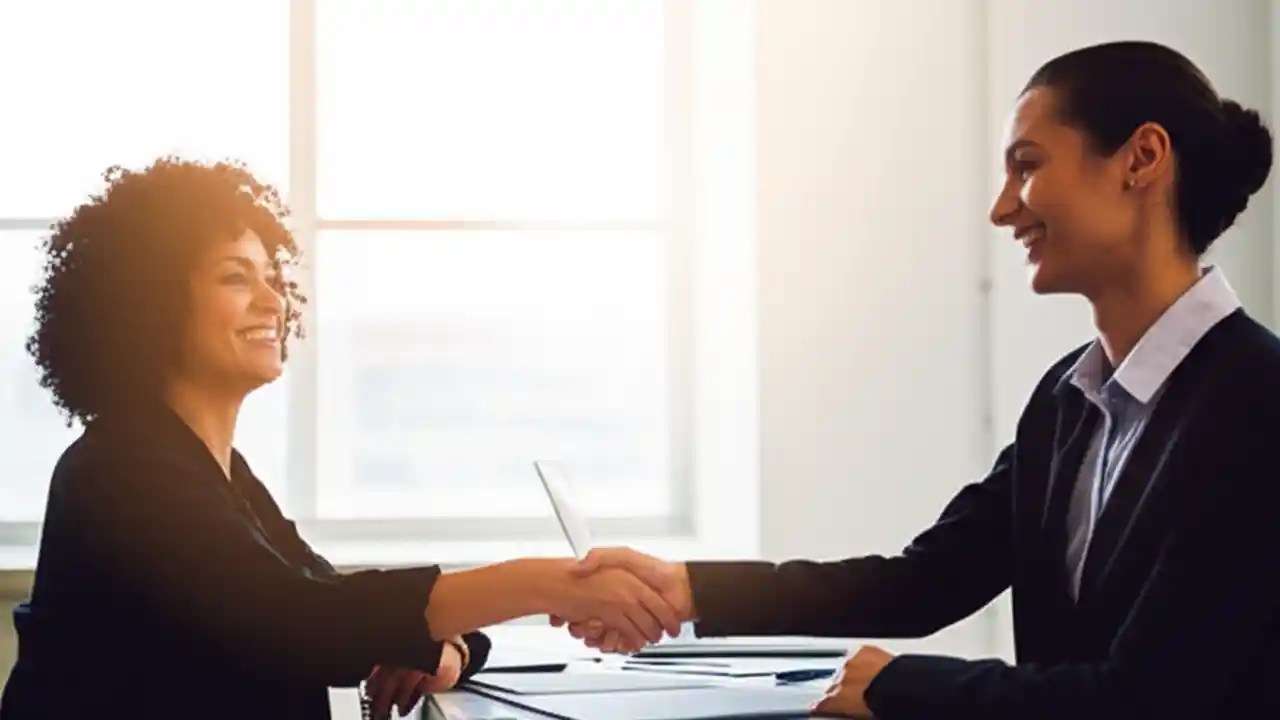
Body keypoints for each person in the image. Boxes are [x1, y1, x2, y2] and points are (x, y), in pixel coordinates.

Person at [559, 41, 1280, 720]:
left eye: (1027, 166)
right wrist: (684, 588)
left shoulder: (1259, 402)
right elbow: (925, 581)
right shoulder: (1070, 400)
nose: (1003, 208)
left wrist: (902, 684)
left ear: (1141, 158)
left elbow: (1154, 699)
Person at [0, 158, 681, 720]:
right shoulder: (124, 472)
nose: (273, 301)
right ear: (147, 301)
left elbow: (333, 597)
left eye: (273, 278)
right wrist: (550, 584)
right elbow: (310, 622)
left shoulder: (216, 472)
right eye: (236, 277)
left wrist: (447, 650)